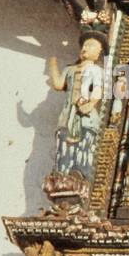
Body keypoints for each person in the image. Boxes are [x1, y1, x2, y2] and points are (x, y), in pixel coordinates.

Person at [47, 34, 107, 179]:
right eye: (84, 45)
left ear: (98, 53)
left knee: (83, 146)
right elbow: (58, 84)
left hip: (85, 114)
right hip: (68, 113)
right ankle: (62, 173)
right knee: (64, 145)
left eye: (91, 45)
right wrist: (53, 66)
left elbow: (98, 88)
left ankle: (80, 174)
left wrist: (91, 103)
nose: (85, 48)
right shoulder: (70, 70)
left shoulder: (96, 70)